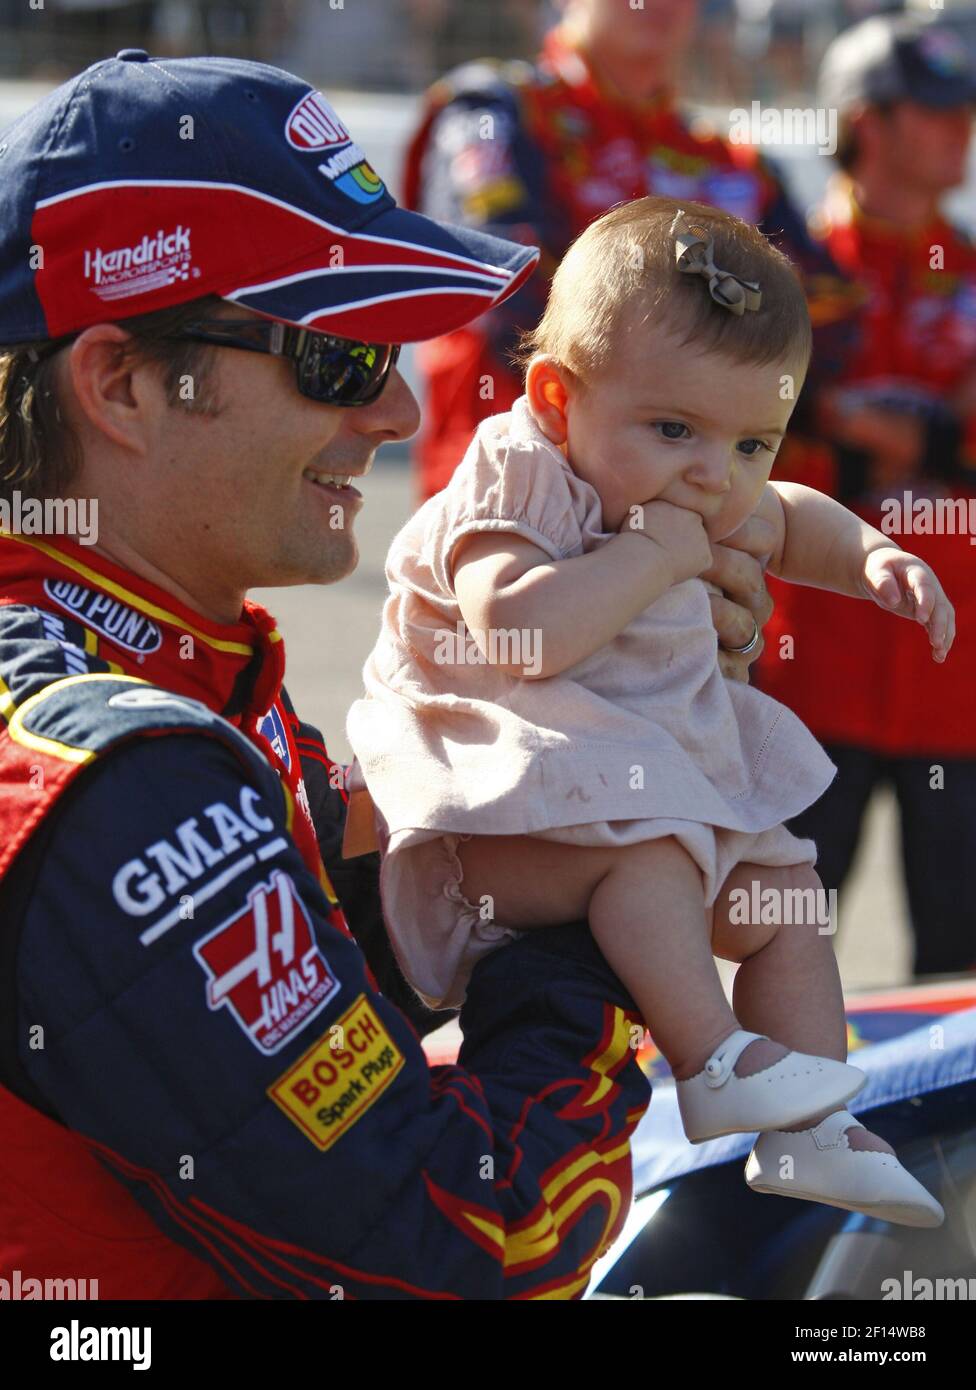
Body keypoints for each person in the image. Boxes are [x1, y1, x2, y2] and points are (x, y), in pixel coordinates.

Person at [0, 49, 658, 1303]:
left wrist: (612, 695)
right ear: (124, 383)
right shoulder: (112, 773)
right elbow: (474, 1244)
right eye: (339, 355)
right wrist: (627, 911)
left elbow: (373, 974)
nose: (400, 413)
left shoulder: (173, 674)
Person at [347, 196, 950, 1226]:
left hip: (630, 805)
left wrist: (873, 558)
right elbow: (519, 633)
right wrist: (651, 558)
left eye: (754, 441)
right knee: (652, 854)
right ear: (555, 395)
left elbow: (789, 519)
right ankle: (711, 1059)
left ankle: (806, 1133)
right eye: (673, 428)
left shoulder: (690, 480)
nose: (715, 474)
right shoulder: (524, 472)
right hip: (486, 828)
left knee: (785, 897)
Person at [402, 0, 858, 504]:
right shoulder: (494, 111)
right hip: (520, 510)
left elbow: (830, 320)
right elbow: (500, 279)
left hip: (701, 520)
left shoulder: (734, 163)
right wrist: (710, 372)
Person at [756, 13, 976, 978]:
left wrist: (909, 437)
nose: (961, 125)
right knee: (780, 966)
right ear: (866, 123)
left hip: (961, 690)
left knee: (963, 988)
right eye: (935, 109)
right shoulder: (782, 278)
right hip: (807, 684)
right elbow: (742, 445)